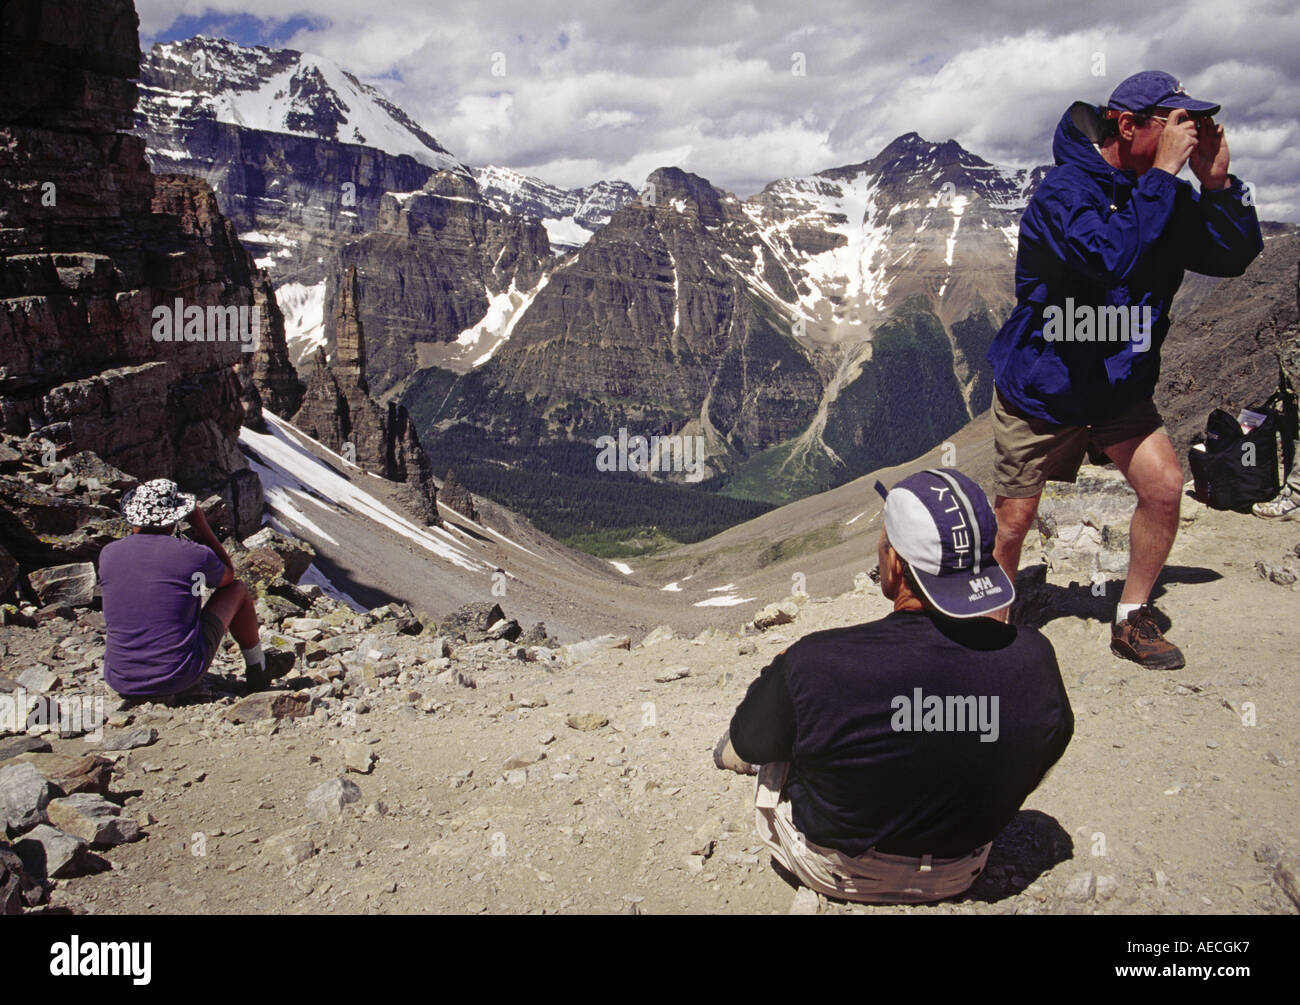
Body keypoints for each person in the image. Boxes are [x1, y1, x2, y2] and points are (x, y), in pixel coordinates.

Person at [985, 70, 1263, 670]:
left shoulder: (1162, 193)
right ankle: (991, 622)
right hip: (1045, 385)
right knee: (1014, 520)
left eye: (1192, 123)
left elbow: (1234, 256)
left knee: (1162, 487)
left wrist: (1216, 186)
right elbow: (1109, 257)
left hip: (1117, 388)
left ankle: (1131, 615)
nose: (1186, 135)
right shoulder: (1065, 192)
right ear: (1130, 126)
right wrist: (1163, 176)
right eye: (1175, 122)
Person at [715, 469, 1073, 904]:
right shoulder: (1036, 658)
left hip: (839, 871)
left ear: (896, 564)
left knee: (782, 728)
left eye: (884, 545)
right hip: (963, 869)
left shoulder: (816, 662)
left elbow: (751, 743)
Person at [99, 479, 283, 699]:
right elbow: (228, 576)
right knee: (237, 589)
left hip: (120, 679)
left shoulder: (108, 554)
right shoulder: (193, 554)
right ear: (174, 520)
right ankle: (257, 668)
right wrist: (202, 526)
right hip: (179, 675)